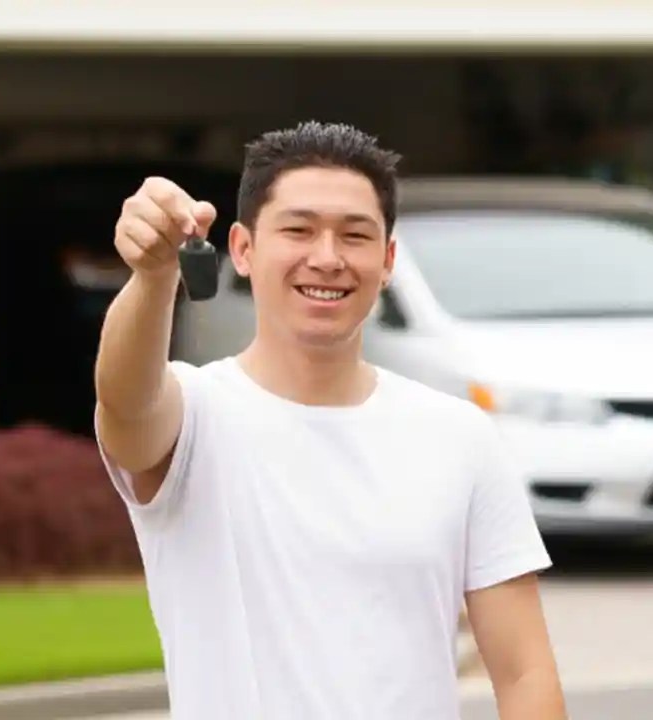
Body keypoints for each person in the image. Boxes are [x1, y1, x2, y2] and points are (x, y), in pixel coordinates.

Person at [93, 120, 567, 719]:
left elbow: (525, 673)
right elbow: (124, 401)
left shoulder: (459, 436)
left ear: (388, 259)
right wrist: (156, 275)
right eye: (298, 229)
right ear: (241, 249)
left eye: (355, 235)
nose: (327, 258)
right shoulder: (192, 419)